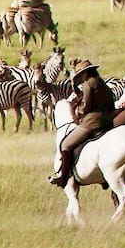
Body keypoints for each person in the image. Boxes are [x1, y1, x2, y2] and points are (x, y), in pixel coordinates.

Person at [50, 59, 115, 187]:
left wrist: (78, 112)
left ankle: (63, 176)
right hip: (108, 121)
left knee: (65, 145)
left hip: (92, 122)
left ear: (85, 73)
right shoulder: (103, 84)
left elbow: (85, 106)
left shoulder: (88, 85)